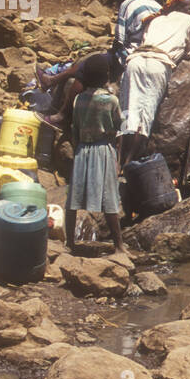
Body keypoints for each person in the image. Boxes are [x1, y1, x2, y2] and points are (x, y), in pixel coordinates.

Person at [118, 0, 190, 166]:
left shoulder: (157, 19)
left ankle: (118, 160)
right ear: (181, 8)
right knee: (144, 116)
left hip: (135, 60)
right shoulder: (188, 19)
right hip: (158, 64)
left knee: (127, 111)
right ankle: (128, 163)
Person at [65, 54, 125, 254]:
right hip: (103, 150)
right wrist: (118, 159)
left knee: (73, 199)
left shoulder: (78, 100)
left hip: (82, 150)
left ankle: (70, 243)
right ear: (105, 77)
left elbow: (74, 128)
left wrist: (78, 147)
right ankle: (118, 246)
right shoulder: (111, 101)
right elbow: (120, 128)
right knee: (109, 198)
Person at [37, 51, 118, 130]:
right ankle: (52, 87)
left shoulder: (80, 100)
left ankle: (62, 115)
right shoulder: (113, 101)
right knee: (90, 60)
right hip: (118, 52)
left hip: (122, 56)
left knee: (88, 65)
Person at [115, 0, 162, 66]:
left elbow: (120, 38)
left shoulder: (127, 4)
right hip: (158, 52)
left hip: (135, 54)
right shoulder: (158, 6)